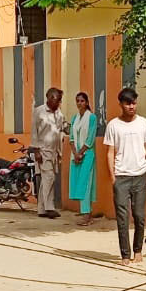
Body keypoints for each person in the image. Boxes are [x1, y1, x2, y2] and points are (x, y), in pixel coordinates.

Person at [103, 88, 146, 264]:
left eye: (134, 102)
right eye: (128, 103)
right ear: (121, 104)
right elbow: (110, 152)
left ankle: (138, 250)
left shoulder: (143, 123)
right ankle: (125, 254)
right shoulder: (113, 125)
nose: (131, 106)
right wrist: (113, 178)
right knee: (122, 217)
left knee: (139, 215)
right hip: (121, 177)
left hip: (140, 175)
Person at [31, 88, 68, 218]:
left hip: (55, 151)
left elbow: (62, 125)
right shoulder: (39, 111)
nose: (58, 102)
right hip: (42, 151)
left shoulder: (58, 112)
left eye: (59, 100)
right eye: (56, 99)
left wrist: (70, 128)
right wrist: (36, 151)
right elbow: (34, 132)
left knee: (46, 181)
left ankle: (41, 208)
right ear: (49, 97)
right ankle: (49, 207)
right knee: (49, 178)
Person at [68, 92, 99, 225]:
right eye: (78, 101)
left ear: (86, 102)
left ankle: (87, 215)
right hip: (75, 156)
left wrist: (81, 153)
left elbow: (90, 138)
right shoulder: (75, 118)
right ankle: (87, 212)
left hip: (87, 154)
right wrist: (75, 153)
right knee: (78, 183)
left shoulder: (92, 118)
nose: (79, 103)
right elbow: (71, 138)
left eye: (82, 101)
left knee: (86, 183)